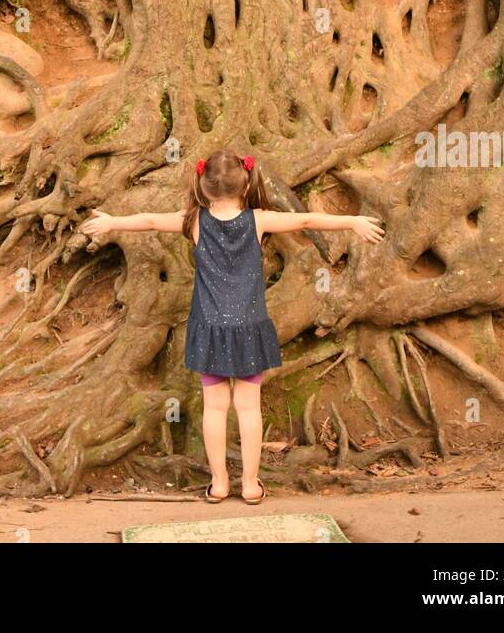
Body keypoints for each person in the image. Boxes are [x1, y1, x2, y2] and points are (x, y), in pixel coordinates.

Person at [82, 147, 385, 504]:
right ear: (245, 185)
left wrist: (111, 222)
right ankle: (252, 484)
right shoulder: (258, 220)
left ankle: (220, 483)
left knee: (214, 408)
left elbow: (148, 220)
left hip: (209, 326)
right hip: (249, 326)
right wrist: (352, 221)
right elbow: (305, 221)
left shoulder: (194, 221)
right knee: (248, 407)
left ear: (203, 186)